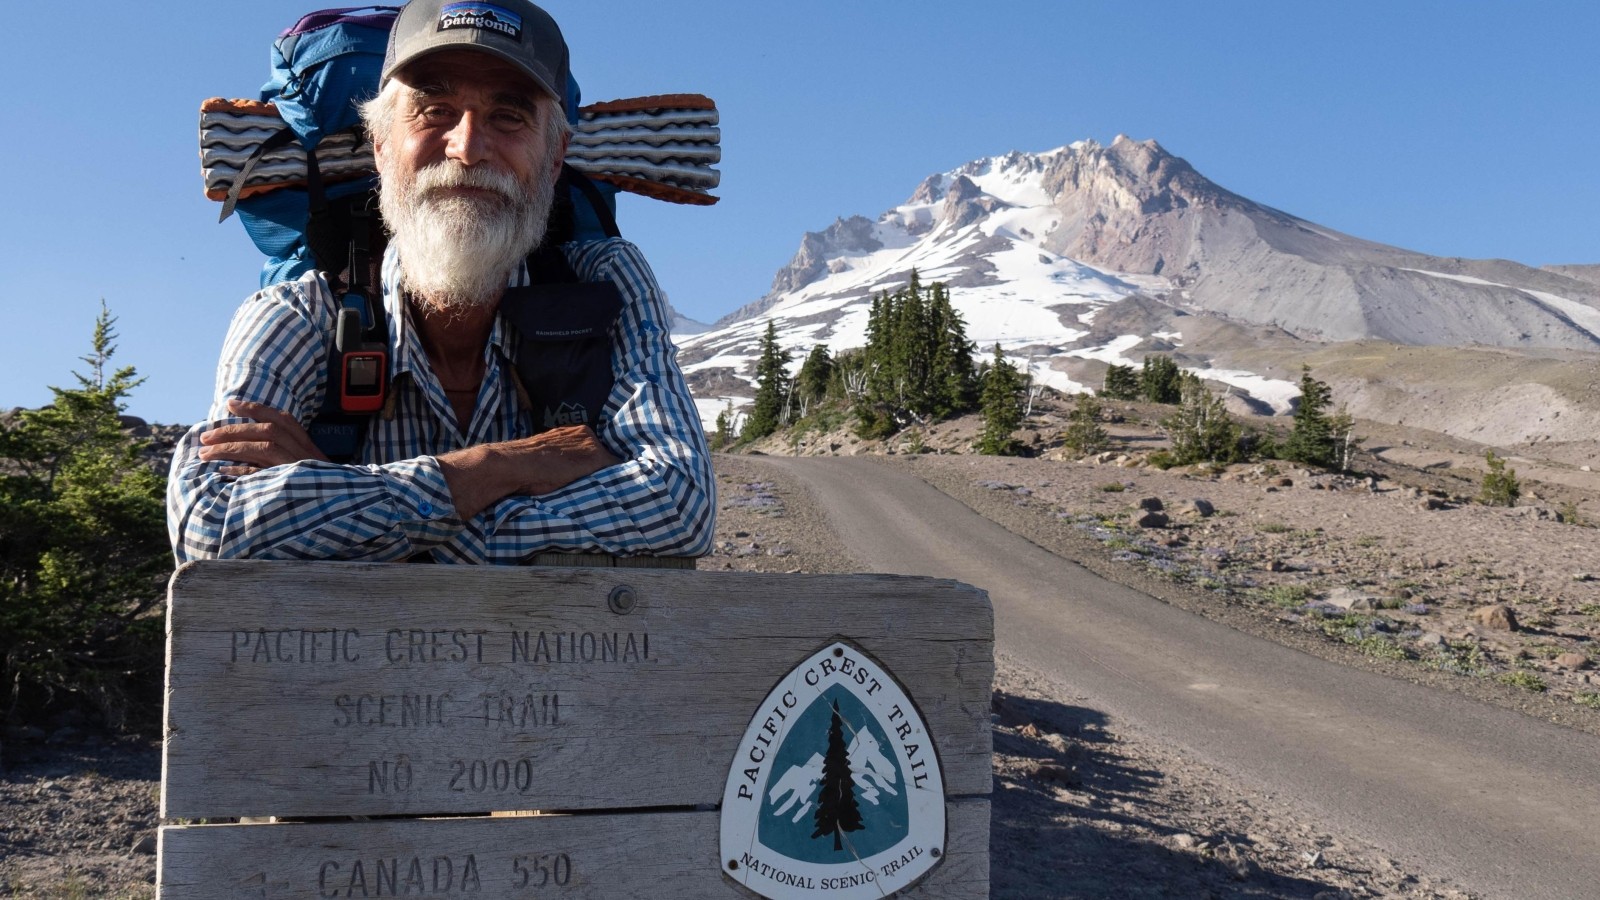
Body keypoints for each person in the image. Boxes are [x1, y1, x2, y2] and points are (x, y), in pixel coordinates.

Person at [167, 0, 713, 564]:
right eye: (433, 110)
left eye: (509, 117)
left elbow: (681, 504)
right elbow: (212, 525)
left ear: (553, 161)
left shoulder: (606, 284)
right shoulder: (298, 316)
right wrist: (503, 465)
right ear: (380, 146)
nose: (468, 148)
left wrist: (343, 507)